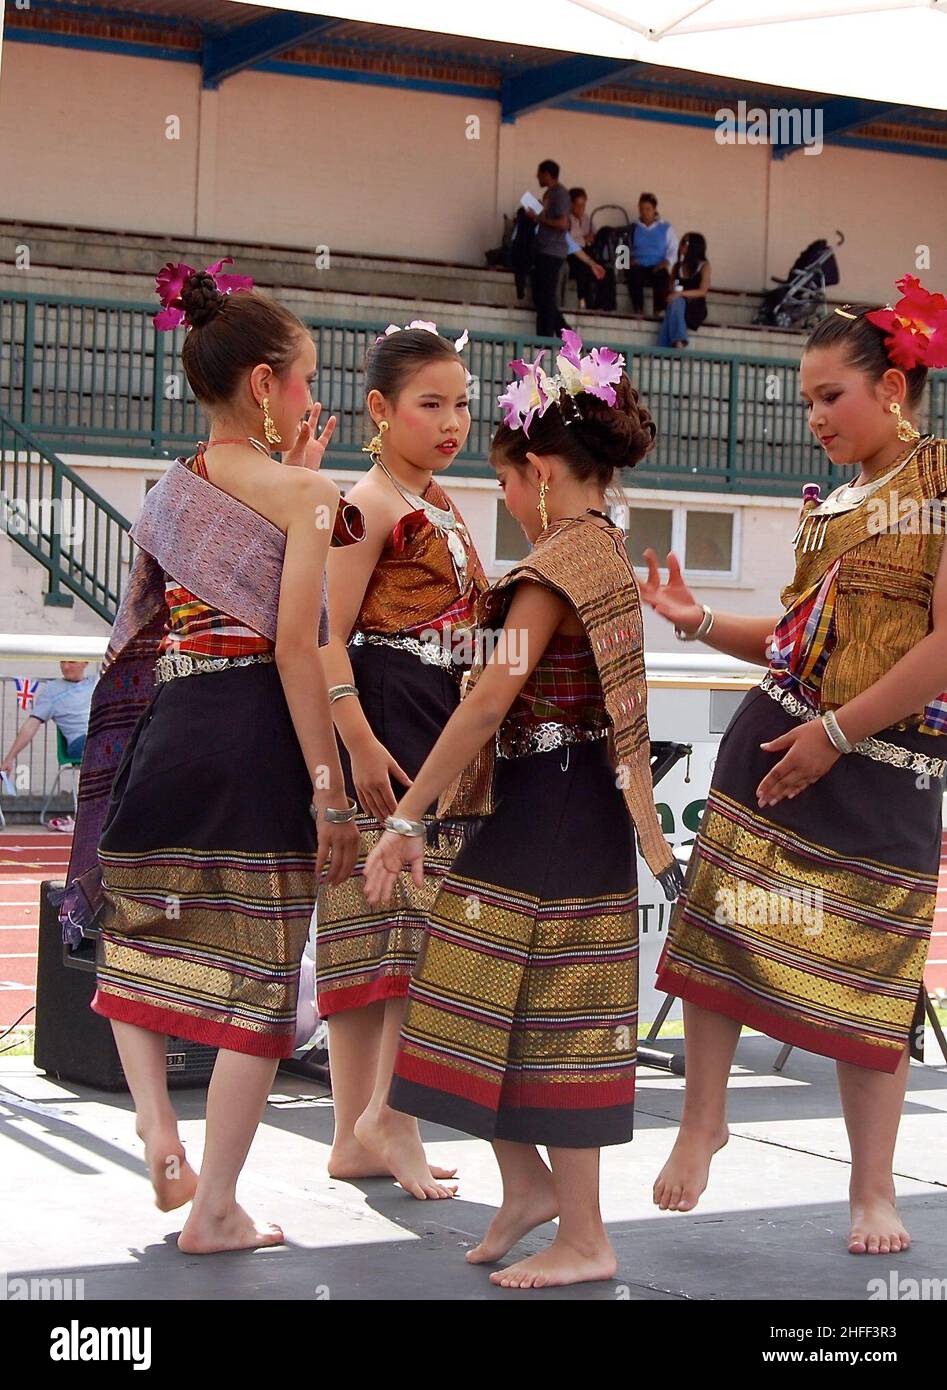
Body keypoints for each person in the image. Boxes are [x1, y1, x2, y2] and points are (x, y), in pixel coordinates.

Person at [363, 329, 683, 1289]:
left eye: (508, 481)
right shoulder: (600, 553)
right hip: (565, 809)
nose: (503, 498)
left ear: (541, 472)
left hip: (549, 812)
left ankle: (582, 1235)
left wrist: (407, 815)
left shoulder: (553, 571)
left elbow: (488, 700)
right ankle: (532, 1194)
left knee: (536, 1017)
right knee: (503, 1005)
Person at [60, 257, 363, 1254]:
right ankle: (216, 1206)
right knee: (262, 982)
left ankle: (156, 1126)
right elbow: (295, 647)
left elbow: (150, 622)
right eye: (308, 379)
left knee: (138, 941)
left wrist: (296, 469)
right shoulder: (308, 493)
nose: (313, 399)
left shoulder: (163, 490)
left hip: (169, 733)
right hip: (253, 742)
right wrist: (329, 791)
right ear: (265, 383)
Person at [642, 276, 947, 1257]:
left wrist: (838, 734)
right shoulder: (831, 504)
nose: (812, 415)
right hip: (773, 742)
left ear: (892, 386)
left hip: (880, 761)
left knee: (878, 974)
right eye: (804, 397)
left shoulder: (937, 484)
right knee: (720, 934)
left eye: (830, 395)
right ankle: (702, 1118)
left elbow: (944, 646)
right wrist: (696, 622)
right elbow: (789, 641)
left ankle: (869, 1188)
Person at [315, 322, 488, 1200]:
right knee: (386, 936)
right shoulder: (367, 503)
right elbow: (322, 637)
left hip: (432, 719)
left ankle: (357, 1136)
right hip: (384, 724)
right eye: (432, 405)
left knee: (393, 937)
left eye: (461, 404)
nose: (452, 421)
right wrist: (358, 741)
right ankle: (388, 1123)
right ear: (380, 410)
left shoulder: (447, 504)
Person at [1, 660, 96, 832]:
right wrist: (10, 757)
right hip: (81, 741)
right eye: (63, 662)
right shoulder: (52, 690)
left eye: (72, 662)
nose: (66, 667)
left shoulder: (97, 680)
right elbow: (31, 724)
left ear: (85, 662)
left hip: (105, 735)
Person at [527, 160, 572, 338]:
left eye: (540, 173)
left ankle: (563, 335)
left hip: (552, 252)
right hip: (544, 250)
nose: (537, 177)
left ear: (547, 174)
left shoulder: (560, 194)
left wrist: (538, 219)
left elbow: (562, 223)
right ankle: (555, 334)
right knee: (541, 297)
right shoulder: (550, 193)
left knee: (546, 296)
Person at [627, 193, 677, 317]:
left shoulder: (665, 228)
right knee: (633, 273)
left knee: (662, 275)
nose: (644, 212)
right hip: (638, 265)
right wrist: (629, 260)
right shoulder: (633, 227)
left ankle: (659, 310)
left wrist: (666, 262)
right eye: (641, 209)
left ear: (654, 209)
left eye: (648, 209)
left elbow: (673, 249)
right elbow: (623, 247)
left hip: (657, 265)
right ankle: (638, 309)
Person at [658, 233, 710, 349]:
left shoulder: (704, 266)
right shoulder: (677, 267)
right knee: (675, 304)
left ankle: (671, 344)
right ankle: (677, 343)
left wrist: (680, 294)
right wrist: (673, 292)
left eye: (685, 243)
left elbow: (703, 291)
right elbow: (671, 288)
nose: (681, 246)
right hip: (678, 306)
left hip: (694, 308)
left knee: (676, 302)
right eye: (681, 243)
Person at [567, 187, 596, 309]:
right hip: (571, 256)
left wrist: (586, 239)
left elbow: (593, 236)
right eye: (578, 205)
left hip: (587, 253)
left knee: (605, 271)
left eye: (583, 205)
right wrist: (584, 239)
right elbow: (568, 241)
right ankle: (582, 299)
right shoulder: (565, 219)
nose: (581, 209)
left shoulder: (586, 218)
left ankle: (605, 306)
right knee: (583, 266)